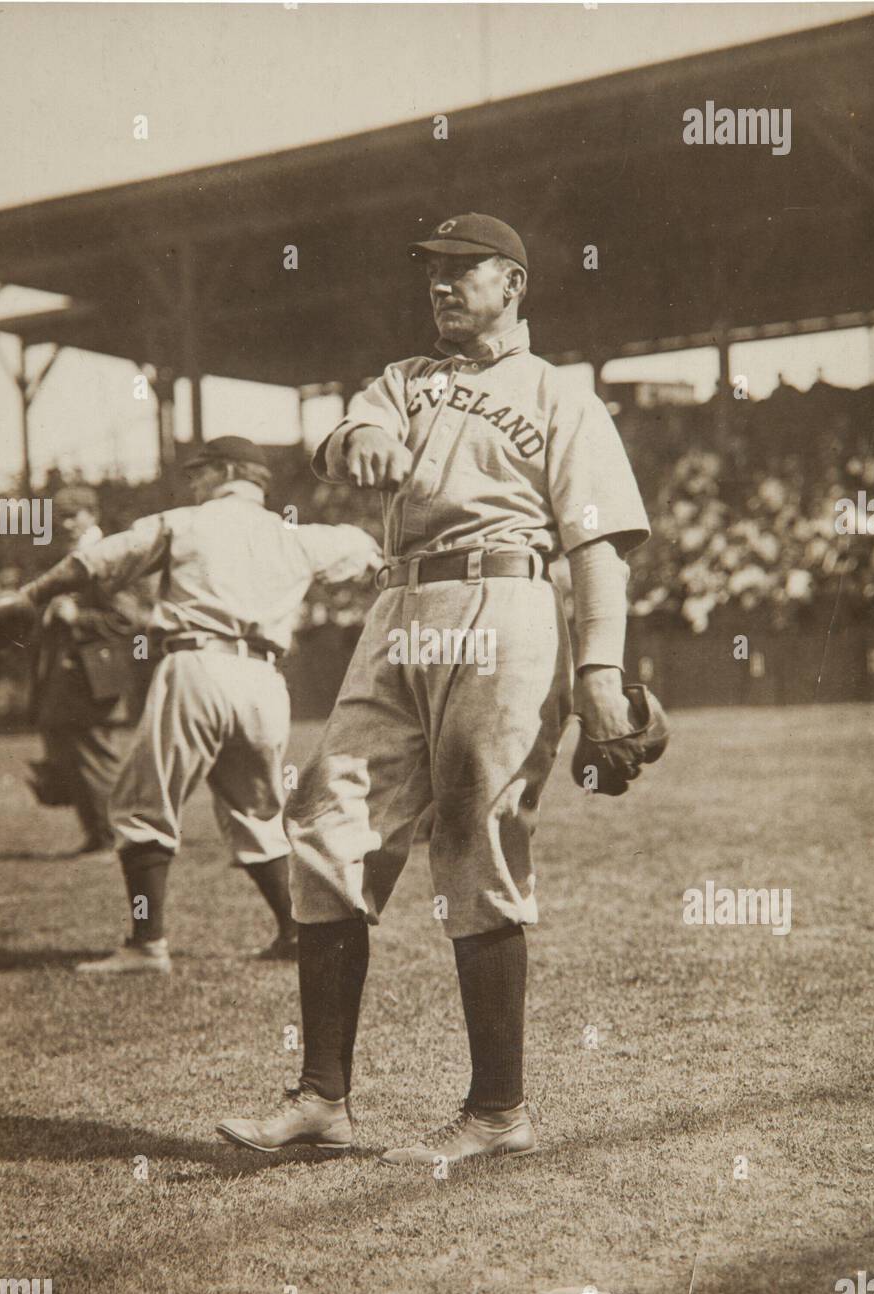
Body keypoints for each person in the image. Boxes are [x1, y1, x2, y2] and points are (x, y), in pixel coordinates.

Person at [217, 214, 650, 1165]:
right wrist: (361, 436)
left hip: (507, 598)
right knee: (327, 823)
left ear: (515, 286)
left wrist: (601, 673)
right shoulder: (405, 379)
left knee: (476, 836)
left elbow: (600, 543)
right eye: (432, 272)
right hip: (398, 607)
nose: (442, 286)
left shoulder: (558, 393)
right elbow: (347, 434)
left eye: (463, 271)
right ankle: (323, 1098)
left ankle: (498, 1111)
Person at [13, 437, 381, 975]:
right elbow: (369, 550)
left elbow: (95, 561)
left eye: (199, 472)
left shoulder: (185, 522)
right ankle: (292, 931)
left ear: (228, 471)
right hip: (263, 683)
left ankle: (146, 945)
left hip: (197, 664)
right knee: (257, 815)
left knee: (142, 808)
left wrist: (29, 596)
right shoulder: (298, 537)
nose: (192, 481)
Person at [30, 485, 149, 854]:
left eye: (72, 514)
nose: (64, 523)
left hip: (96, 677)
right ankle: (99, 834)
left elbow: (130, 618)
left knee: (96, 757)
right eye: (58, 516)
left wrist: (76, 616)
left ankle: (114, 835)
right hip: (71, 676)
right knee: (75, 756)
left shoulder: (106, 555)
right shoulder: (74, 555)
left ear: (91, 515)